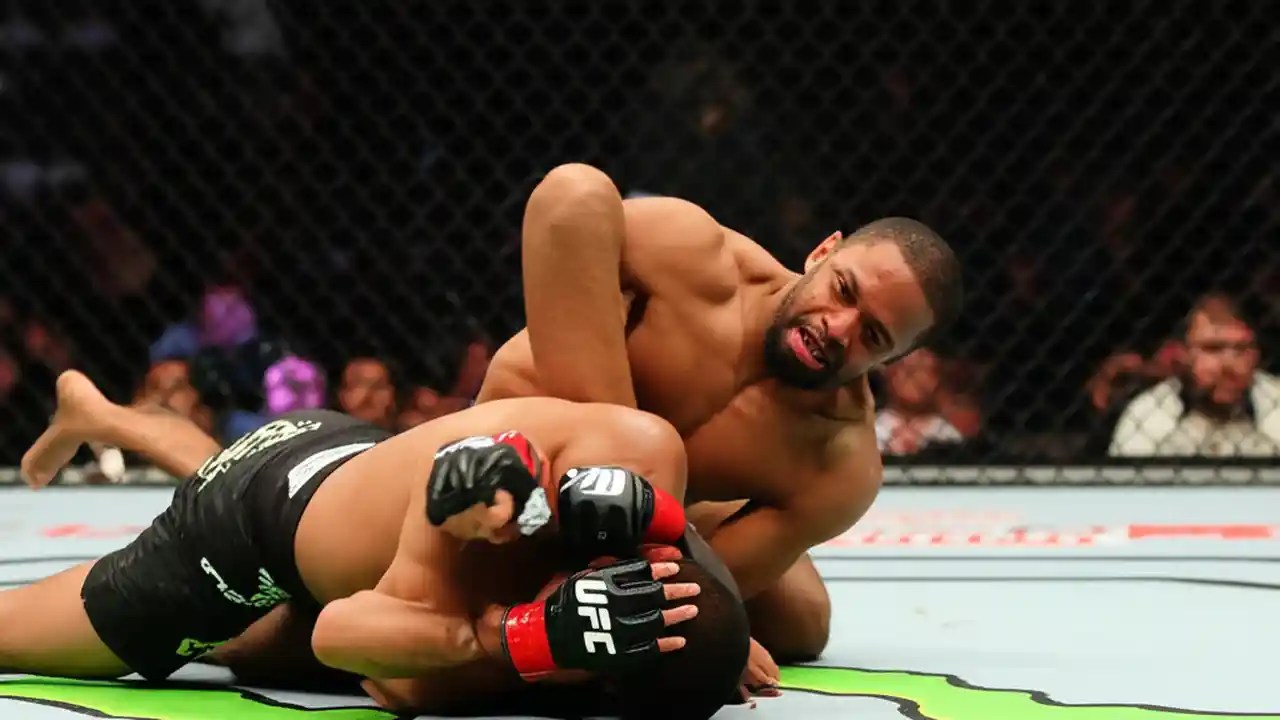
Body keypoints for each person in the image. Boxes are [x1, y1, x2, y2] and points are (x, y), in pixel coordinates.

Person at [7, 371, 750, 719]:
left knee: (241, 629)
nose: (590, 578)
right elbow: (623, 450)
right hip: (267, 511)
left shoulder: (495, 668)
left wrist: (510, 639)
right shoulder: (635, 466)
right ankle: (102, 413)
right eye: (631, 576)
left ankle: (101, 413)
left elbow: (343, 637)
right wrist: (702, 594)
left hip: (302, 492)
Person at [478, 162, 964, 671]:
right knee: (577, 189)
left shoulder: (840, 462)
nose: (839, 329)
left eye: (874, 336)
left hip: (643, 523)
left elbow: (714, 577)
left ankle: (611, 561)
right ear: (823, 252)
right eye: (843, 290)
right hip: (523, 449)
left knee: (802, 619)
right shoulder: (692, 254)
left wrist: (703, 623)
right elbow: (566, 207)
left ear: (893, 360)